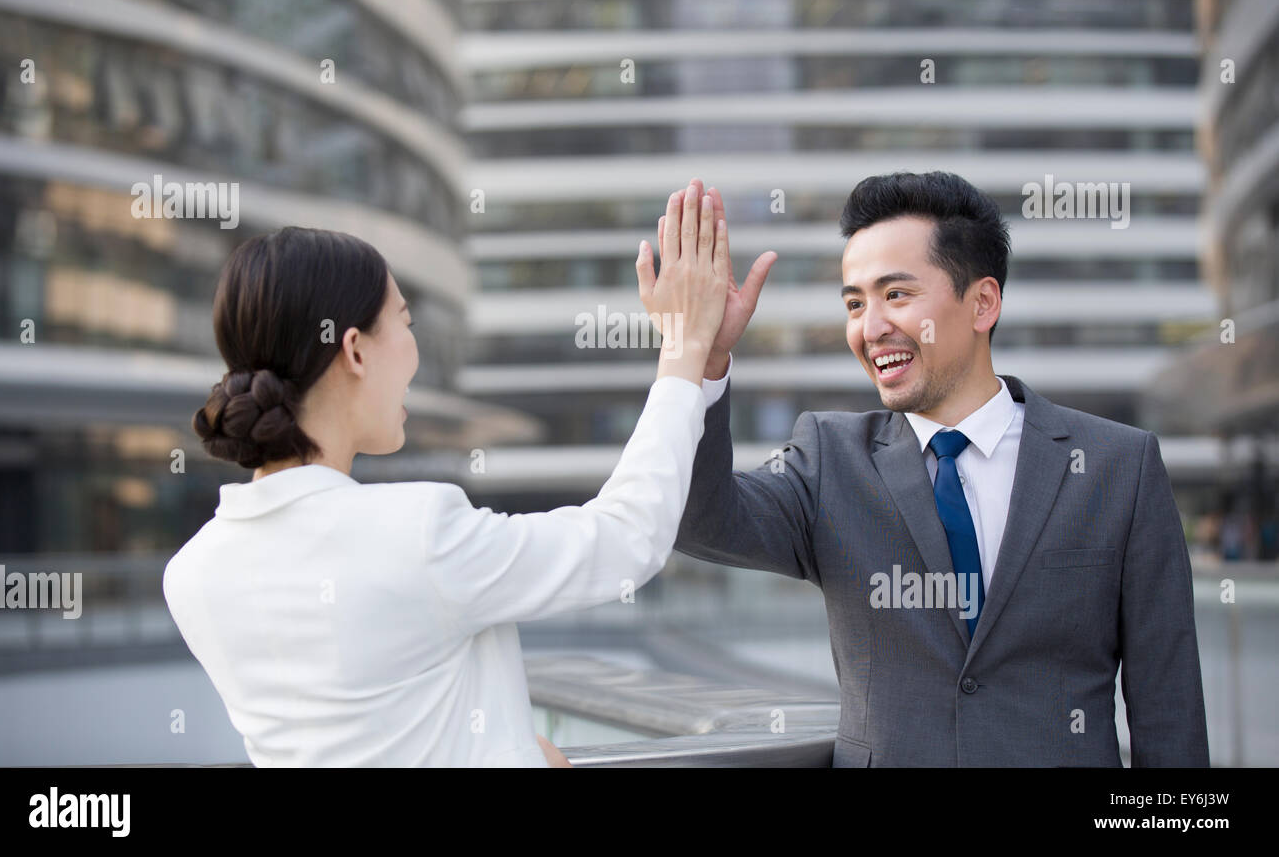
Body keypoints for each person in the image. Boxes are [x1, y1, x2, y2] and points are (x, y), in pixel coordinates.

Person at [162, 187, 728, 766]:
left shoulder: (191, 576)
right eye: (404, 322)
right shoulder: (417, 534)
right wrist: (684, 349)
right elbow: (625, 542)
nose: (415, 352)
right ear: (354, 351)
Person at [670, 171, 1210, 767]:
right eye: (855, 303)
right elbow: (699, 520)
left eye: (896, 295)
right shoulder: (829, 460)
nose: (870, 328)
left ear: (982, 303)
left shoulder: (1118, 467)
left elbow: (1169, 706)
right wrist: (703, 356)